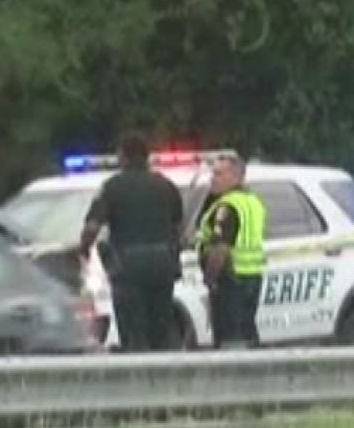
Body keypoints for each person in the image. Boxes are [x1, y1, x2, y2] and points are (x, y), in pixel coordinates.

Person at [76, 133, 185, 351]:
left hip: (128, 265)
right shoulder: (166, 185)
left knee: (133, 328)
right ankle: (164, 375)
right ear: (147, 157)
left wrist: (84, 250)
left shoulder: (112, 187)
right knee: (161, 325)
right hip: (163, 263)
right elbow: (179, 225)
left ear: (123, 157)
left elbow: (92, 227)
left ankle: (138, 374)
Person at [195, 154, 268, 348]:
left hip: (230, 279)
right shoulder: (253, 202)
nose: (213, 178)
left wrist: (209, 279)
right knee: (247, 332)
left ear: (236, 177)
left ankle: (233, 375)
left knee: (229, 337)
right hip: (252, 276)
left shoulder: (226, 206)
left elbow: (220, 249)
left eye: (219, 174)